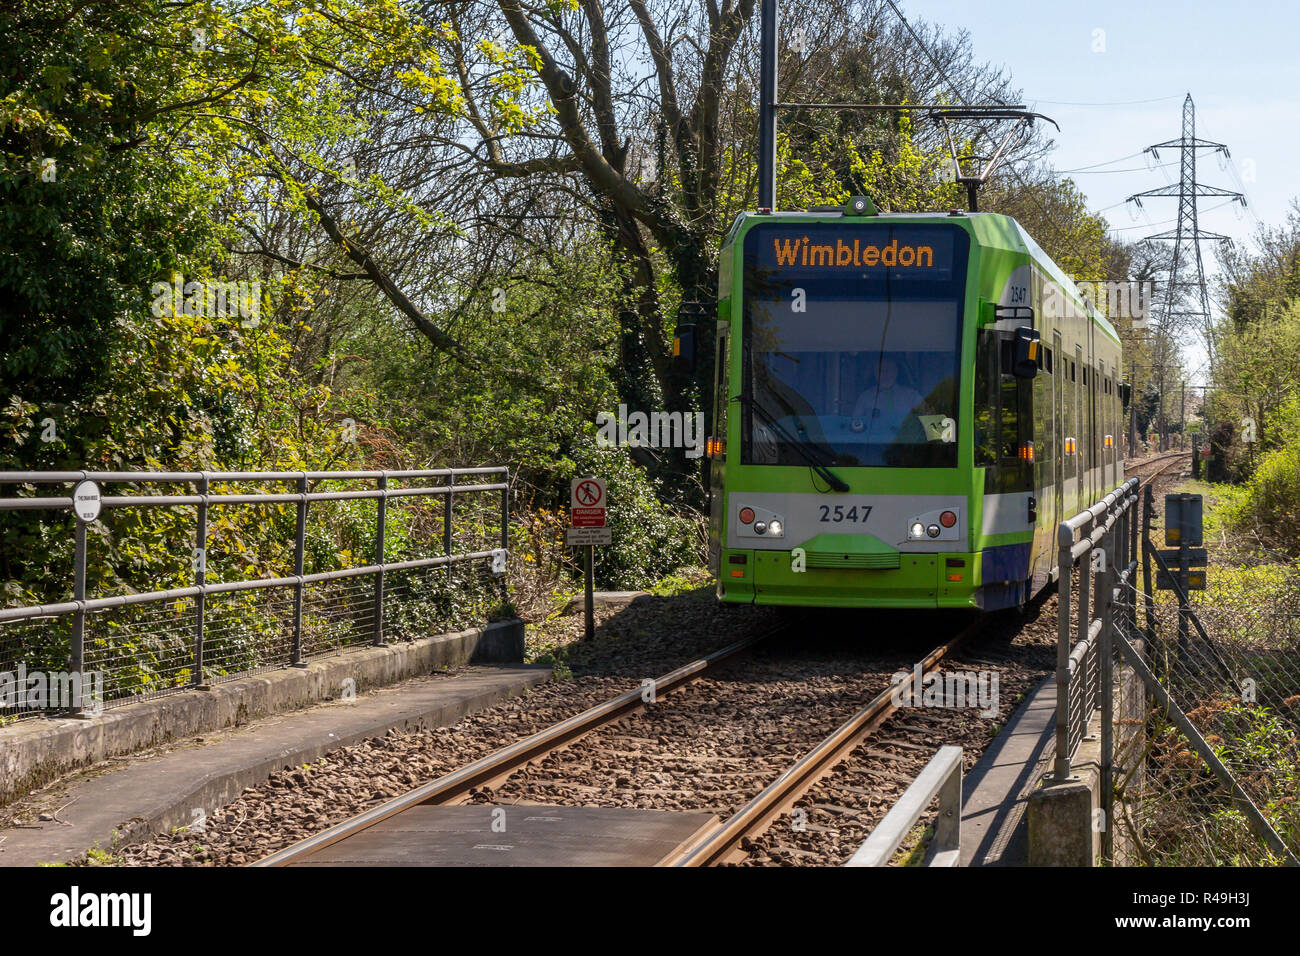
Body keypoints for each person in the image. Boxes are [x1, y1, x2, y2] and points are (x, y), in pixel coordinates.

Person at [851, 355, 924, 440]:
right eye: (880, 371)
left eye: (889, 370)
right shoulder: (864, 397)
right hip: (872, 446)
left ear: (896, 372)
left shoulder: (912, 396)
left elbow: (929, 419)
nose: (884, 374)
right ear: (875, 373)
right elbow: (854, 426)